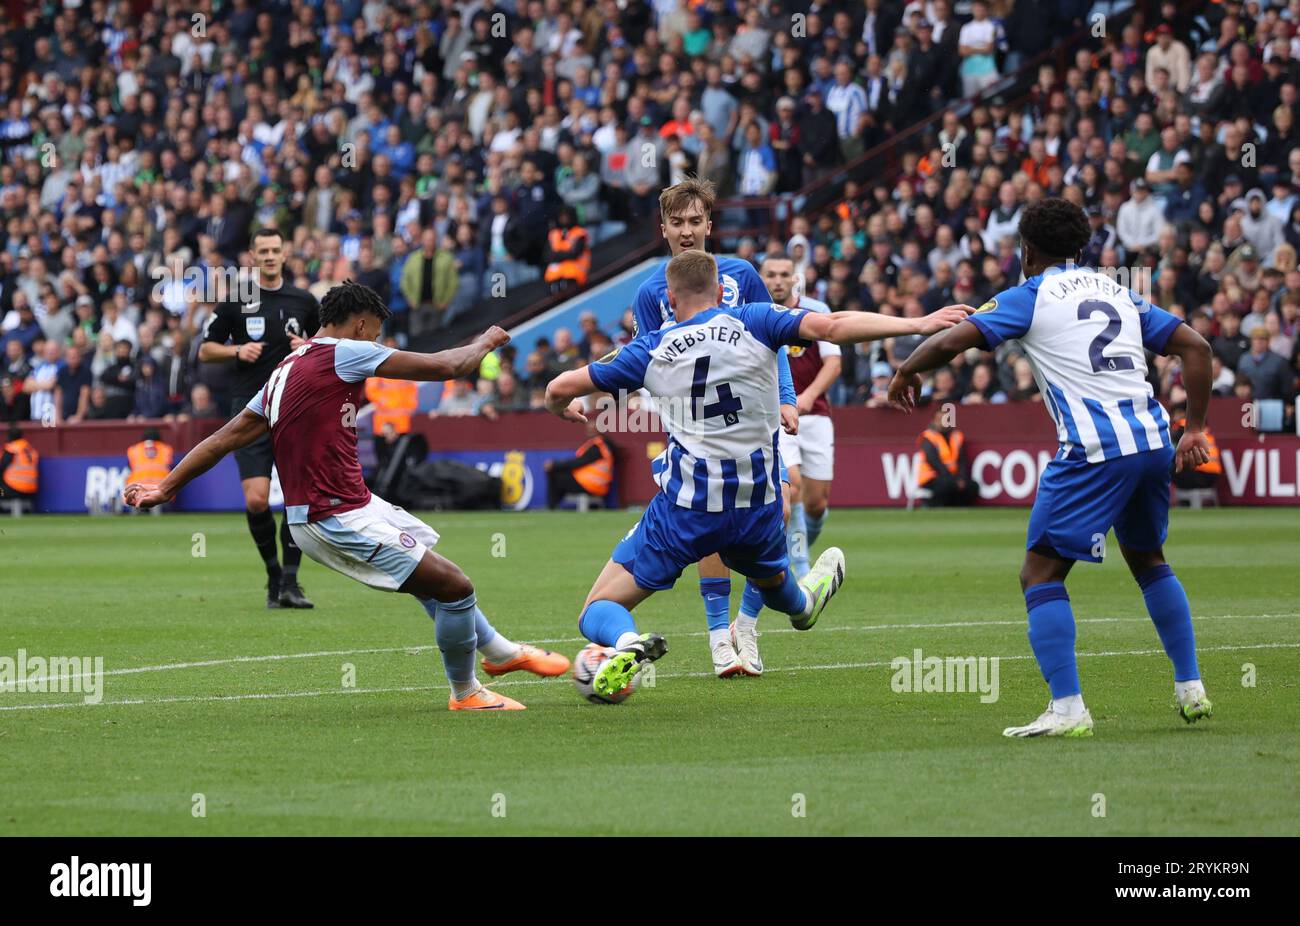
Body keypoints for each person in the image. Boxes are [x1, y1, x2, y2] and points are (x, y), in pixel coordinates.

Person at [125, 281, 569, 711]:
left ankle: (501, 651)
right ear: (359, 326)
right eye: (375, 332)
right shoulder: (346, 352)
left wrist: (166, 485)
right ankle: (466, 692)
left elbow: (224, 438)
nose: (377, 342)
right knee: (456, 586)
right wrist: (487, 340)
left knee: (431, 579)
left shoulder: (284, 370)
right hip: (333, 516)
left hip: (346, 506)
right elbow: (447, 367)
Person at [543, 250, 967, 699]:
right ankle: (805, 606)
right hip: (757, 504)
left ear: (669, 296)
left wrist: (562, 408)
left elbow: (558, 388)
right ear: (722, 290)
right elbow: (833, 326)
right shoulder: (757, 319)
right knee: (785, 594)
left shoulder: (650, 349)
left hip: (688, 507)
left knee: (597, 609)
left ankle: (627, 644)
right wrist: (919, 324)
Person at [889, 197, 1216, 737]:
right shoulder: (1120, 291)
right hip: (1153, 440)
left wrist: (903, 369)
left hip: (1093, 449)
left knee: (1039, 574)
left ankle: (1067, 708)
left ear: (1027, 250)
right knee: (1148, 559)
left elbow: (955, 337)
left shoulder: (1031, 295)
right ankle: (1191, 686)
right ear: (1083, 248)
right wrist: (1197, 428)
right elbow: (1196, 346)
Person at [630, 177, 798, 678]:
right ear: (663, 228)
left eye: (694, 221)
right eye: (676, 222)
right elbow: (644, 359)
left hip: (754, 422)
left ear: (710, 224)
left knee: (780, 510)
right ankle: (718, 637)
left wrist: (786, 397)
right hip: (696, 428)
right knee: (713, 528)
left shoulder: (742, 274)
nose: (686, 231)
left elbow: (774, 338)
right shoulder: (650, 291)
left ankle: (747, 624)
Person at [200, 228, 321, 609]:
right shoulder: (237, 300)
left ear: (285, 254)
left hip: (293, 408)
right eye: (263, 251)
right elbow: (205, 349)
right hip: (250, 410)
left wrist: (308, 347)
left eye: (275, 250)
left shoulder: (304, 300)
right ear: (252, 256)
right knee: (256, 500)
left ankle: (290, 581)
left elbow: (327, 345)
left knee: (298, 500)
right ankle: (272, 574)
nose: (270, 256)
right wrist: (235, 352)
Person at [915, 405, 979, 506]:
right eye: (939, 419)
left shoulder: (956, 436)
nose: (942, 422)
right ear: (934, 420)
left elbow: (962, 461)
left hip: (953, 476)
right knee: (946, 485)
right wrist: (953, 479)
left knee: (972, 486)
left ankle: (959, 507)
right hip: (932, 478)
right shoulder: (929, 437)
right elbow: (934, 462)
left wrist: (961, 478)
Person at [544, 418, 614, 509]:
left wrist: (555, 465)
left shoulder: (597, 446)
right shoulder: (605, 445)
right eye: (588, 429)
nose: (589, 432)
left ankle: (552, 507)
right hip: (598, 485)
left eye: (592, 430)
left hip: (590, 485)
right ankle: (554, 505)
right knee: (561, 475)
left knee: (554, 473)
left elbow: (578, 462)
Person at [1169, 404, 1222, 492]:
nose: (1175, 418)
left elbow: (1174, 439)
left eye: (1177, 414)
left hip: (1198, 473)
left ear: (1184, 413)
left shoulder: (1184, 425)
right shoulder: (1202, 428)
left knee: (1167, 464)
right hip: (1213, 476)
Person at [125, 428, 174, 510]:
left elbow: (129, 468)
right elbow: (170, 466)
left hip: (137, 493)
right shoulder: (166, 449)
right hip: (161, 493)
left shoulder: (134, 449)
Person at [1, 425, 38, 503]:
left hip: (14, 490)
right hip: (31, 491)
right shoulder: (30, 448)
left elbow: (1, 467)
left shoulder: (12, 448)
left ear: (9, 436)